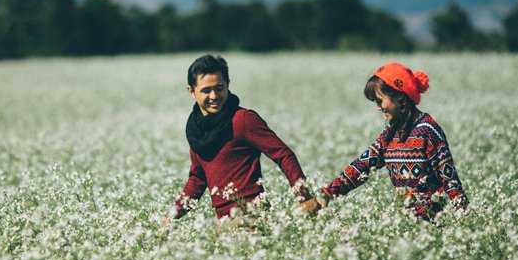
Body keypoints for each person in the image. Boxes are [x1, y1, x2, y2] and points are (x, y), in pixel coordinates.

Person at [302, 62, 468, 221]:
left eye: (380, 101)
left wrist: (463, 216)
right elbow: (363, 165)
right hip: (404, 223)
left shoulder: (427, 130)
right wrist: (328, 194)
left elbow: (449, 178)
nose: (378, 107)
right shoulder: (389, 134)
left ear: (399, 96)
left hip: (434, 222)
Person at [163, 54, 313, 228]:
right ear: (191, 91)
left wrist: (304, 197)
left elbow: (283, 154)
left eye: (219, 88)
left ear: (228, 85)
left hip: (251, 216)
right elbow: (198, 179)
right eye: (206, 90)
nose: (214, 96)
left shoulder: (243, 120)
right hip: (224, 222)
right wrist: (173, 213)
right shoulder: (197, 132)